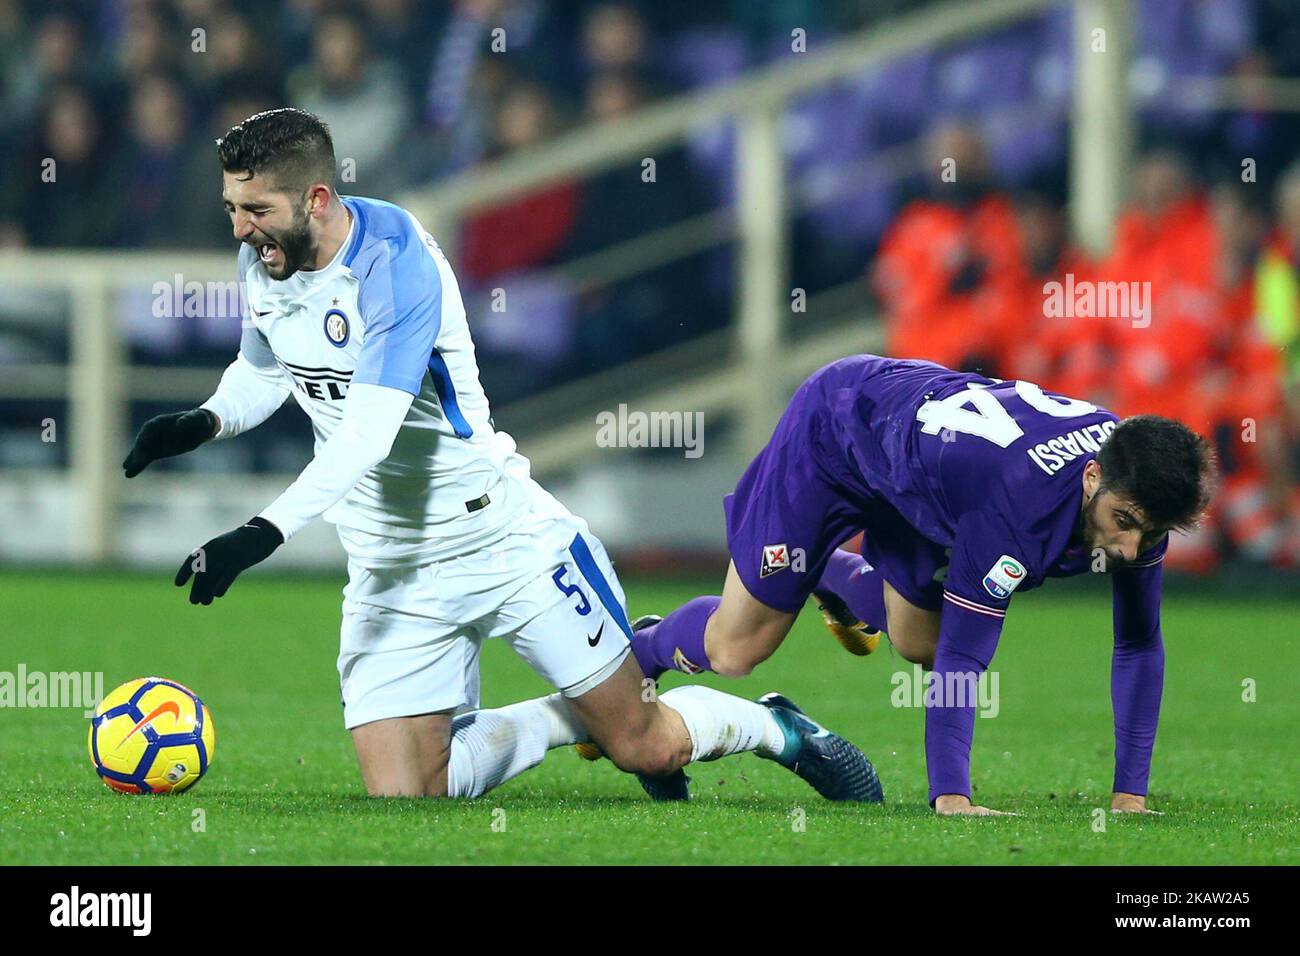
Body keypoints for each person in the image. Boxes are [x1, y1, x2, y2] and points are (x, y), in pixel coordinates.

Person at [120, 107, 882, 805]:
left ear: (316, 200)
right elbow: (262, 369)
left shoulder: (395, 264)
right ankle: (567, 716)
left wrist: (258, 534)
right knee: (409, 795)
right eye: (232, 210)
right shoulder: (267, 261)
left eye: (256, 211)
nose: (241, 230)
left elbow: (366, 433)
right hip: (389, 564)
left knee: (644, 747)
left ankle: (779, 729)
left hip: (500, 540)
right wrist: (202, 422)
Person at [626, 354, 1217, 815]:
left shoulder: (1137, 489)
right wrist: (952, 797)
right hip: (838, 430)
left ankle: (835, 577)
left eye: (1152, 532)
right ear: (1091, 477)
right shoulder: (1017, 504)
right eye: (1125, 525)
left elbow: (1139, 643)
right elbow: (964, 657)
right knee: (737, 650)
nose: (1132, 549)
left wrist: (1130, 797)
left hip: (924, 474)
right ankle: (646, 648)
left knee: (917, 641)